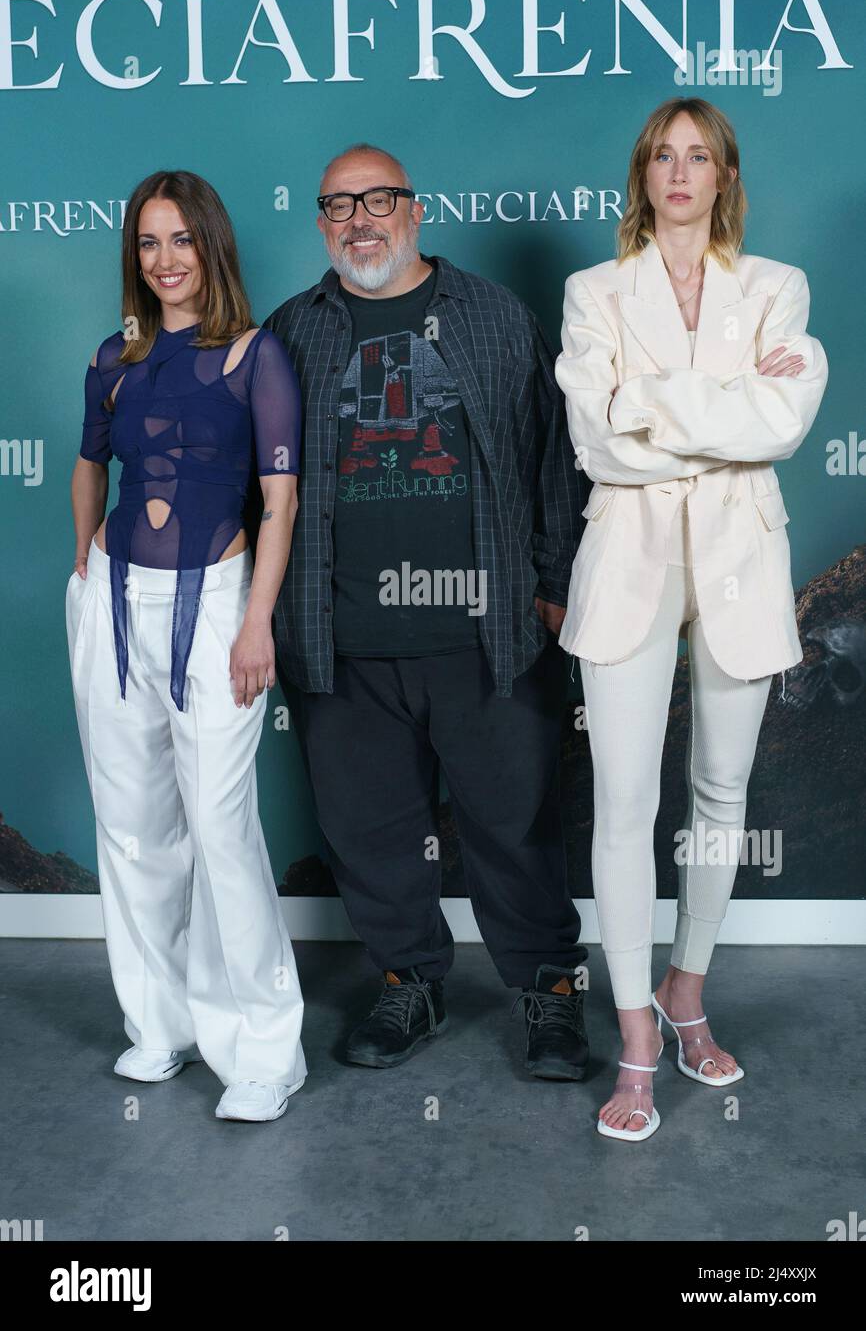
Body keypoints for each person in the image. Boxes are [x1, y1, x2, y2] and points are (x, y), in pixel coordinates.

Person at [263, 143, 591, 1076]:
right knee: (368, 828)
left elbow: (555, 463)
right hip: (344, 642)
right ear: (321, 222)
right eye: (337, 206)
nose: (358, 219)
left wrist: (553, 586)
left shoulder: (493, 319)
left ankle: (549, 992)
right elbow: (264, 488)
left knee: (515, 824)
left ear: (414, 210)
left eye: (377, 200)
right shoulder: (294, 331)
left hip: (489, 635)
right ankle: (409, 979)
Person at [555, 98, 828, 1140]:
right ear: (641, 173)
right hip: (623, 559)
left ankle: (685, 992)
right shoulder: (591, 292)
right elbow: (596, 440)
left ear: (722, 176)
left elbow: (784, 422)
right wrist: (721, 410)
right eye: (661, 155)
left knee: (719, 787)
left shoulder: (775, 289)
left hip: (737, 560)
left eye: (698, 155)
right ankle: (631, 1038)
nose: (679, 171)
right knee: (622, 802)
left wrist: (650, 398)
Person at [66, 170, 306, 1122]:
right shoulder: (113, 357)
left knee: (218, 824)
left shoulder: (256, 357)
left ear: (212, 244)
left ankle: (261, 1051)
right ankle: (158, 1026)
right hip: (115, 601)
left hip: (218, 604)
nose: (165, 261)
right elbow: (89, 469)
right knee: (131, 825)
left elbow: (280, 501)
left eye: (181, 240)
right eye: (148, 243)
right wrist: (83, 576)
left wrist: (258, 622)